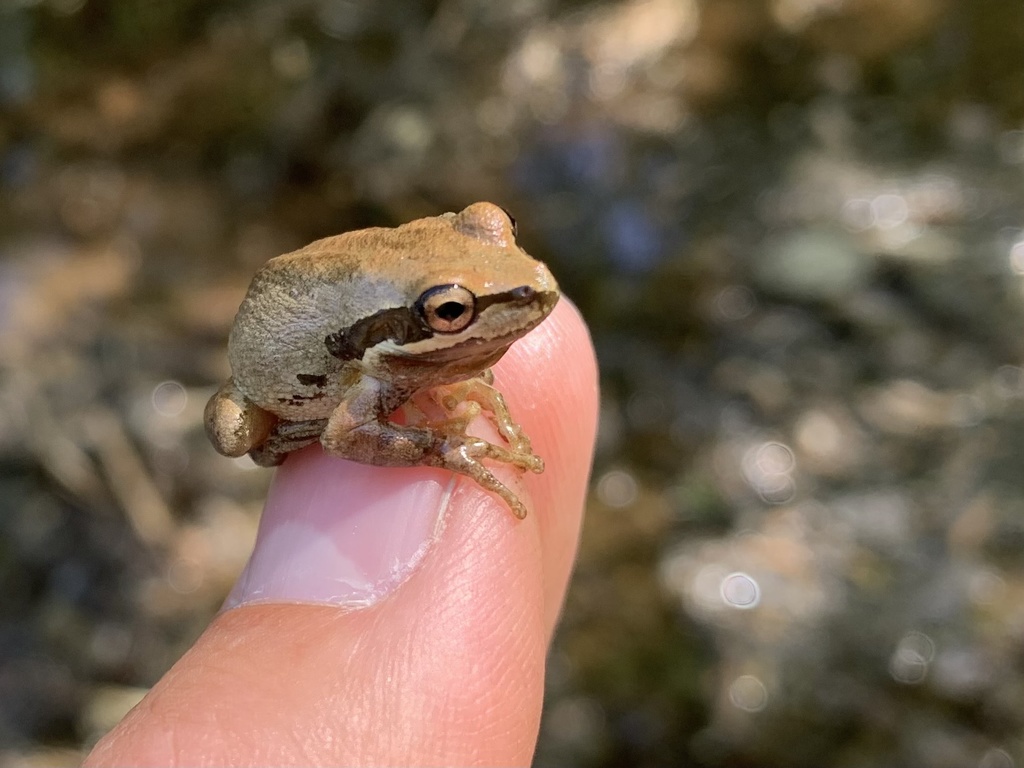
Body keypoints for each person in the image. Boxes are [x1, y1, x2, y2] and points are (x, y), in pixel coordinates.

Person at [85, 300, 598, 767]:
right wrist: (444, 449)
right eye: (450, 310)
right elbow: (343, 434)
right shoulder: (372, 358)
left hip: (352, 313)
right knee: (235, 430)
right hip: (276, 380)